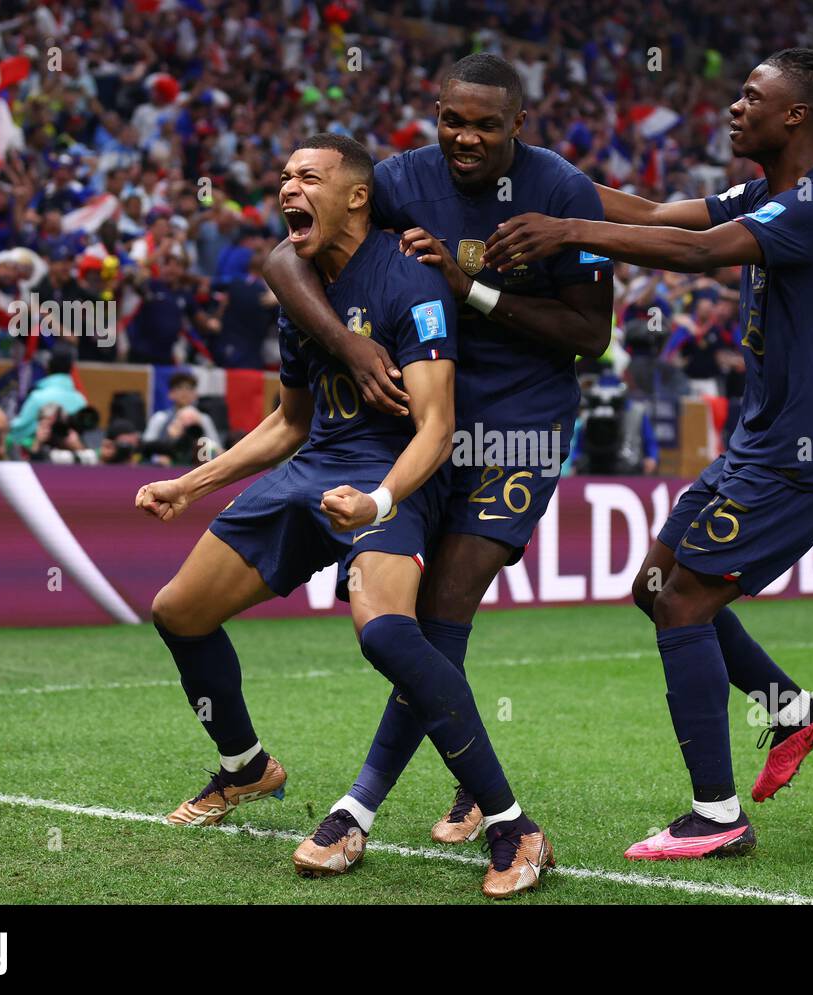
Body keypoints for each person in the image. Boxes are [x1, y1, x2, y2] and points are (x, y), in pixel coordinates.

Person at [139, 134, 552, 899]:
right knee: (178, 611)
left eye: (308, 177)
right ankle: (246, 767)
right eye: (283, 176)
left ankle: (511, 820)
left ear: (356, 195)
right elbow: (288, 422)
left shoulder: (410, 280)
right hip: (308, 473)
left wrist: (381, 501)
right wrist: (190, 484)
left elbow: (436, 427)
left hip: (390, 482)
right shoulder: (303, 286)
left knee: (389, 634)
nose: (287, 188)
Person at [483, 47, 813, 860]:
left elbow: (697, 254)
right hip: (763, 441)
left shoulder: (811, 208)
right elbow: (662, 216)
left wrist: (566, 228)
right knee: (657, 587)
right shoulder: (765, 193)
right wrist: (551, 183)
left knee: (688, 603)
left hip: (805, 453)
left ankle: (717, 814)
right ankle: (792, 709)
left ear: (795, 116)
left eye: (751, 96)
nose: (734, 107)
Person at [263, 54, 612, 848]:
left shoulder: (562, 192)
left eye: (487, 124)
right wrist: (349, 351)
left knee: (443, 607)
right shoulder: (393, 179)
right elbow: (287, 258)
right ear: (436, 109)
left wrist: (472, 289)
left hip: (517, 427)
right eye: (454, 119)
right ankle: (469, 779)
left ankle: (359, 807)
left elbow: (593, 334)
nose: (467, 137)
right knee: (412, 622)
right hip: (424, 425)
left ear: (519, 123)